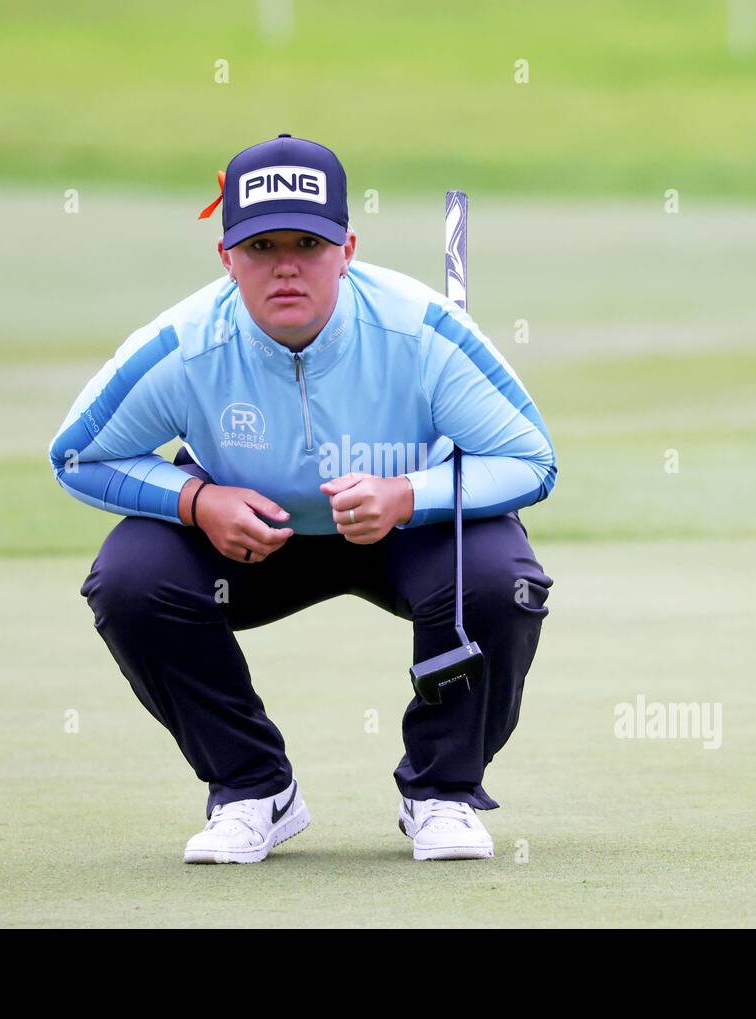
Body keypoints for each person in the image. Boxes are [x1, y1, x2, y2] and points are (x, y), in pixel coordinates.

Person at [48, 133, 556, 864]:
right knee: (131, 578)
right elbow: (74, 454)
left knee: (499, 578)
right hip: (250, 538)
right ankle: (252, 788)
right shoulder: (185, 344)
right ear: (225, 257)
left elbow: (532, 459)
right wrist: (197, 502)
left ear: (346, 247)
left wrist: (407, 494)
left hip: (405, 532)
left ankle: (441, 790)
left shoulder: (422, 330)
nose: (285, 265)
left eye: (308, 243)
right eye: (260, 247)